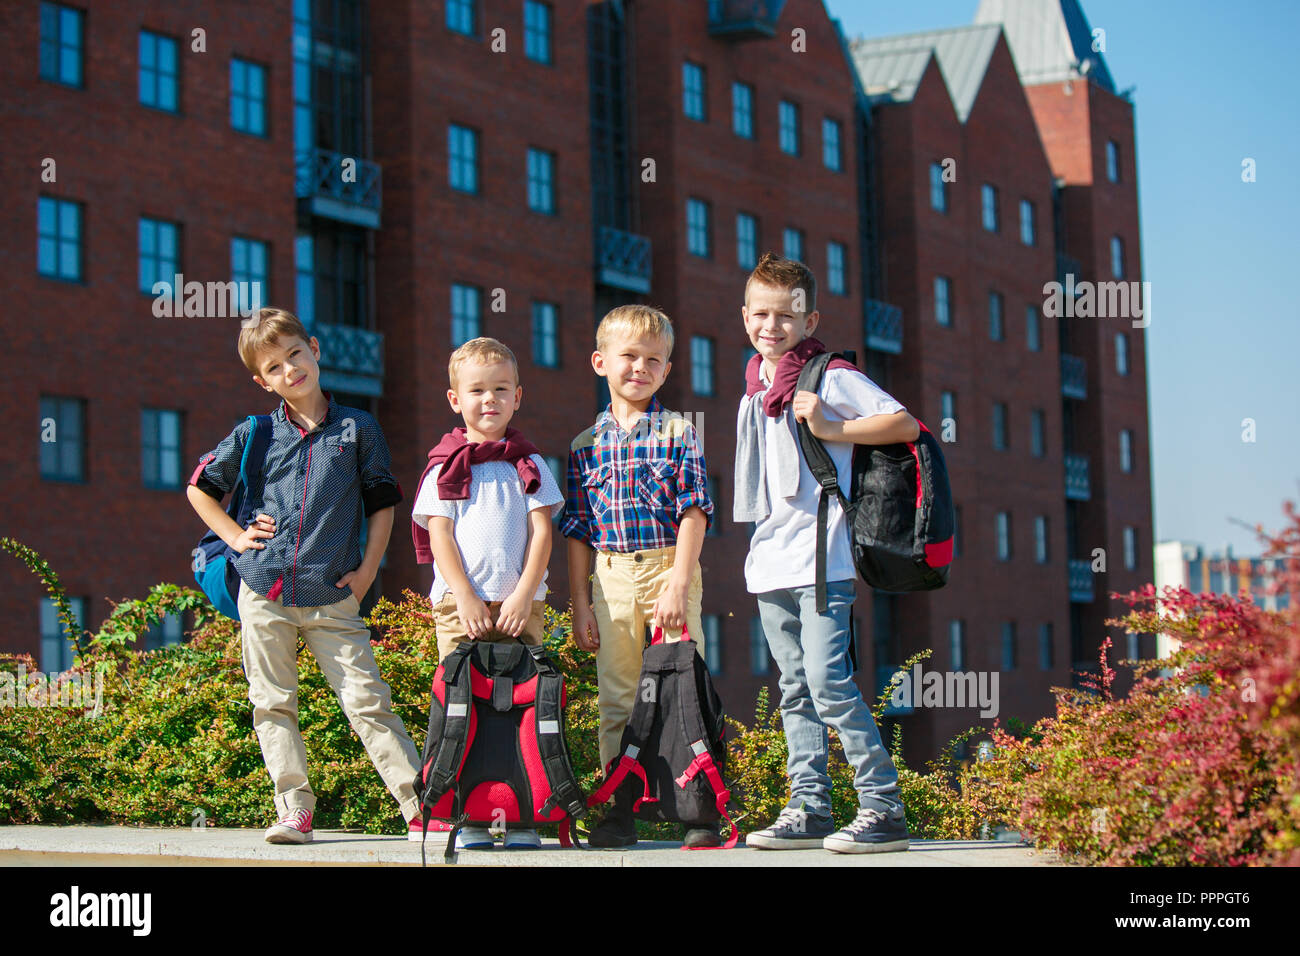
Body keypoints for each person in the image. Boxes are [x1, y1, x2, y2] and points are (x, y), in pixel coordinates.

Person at [186, 307, 425, 845]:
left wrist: (365, 575)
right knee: (271, 703)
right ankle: (294, 810)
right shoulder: (256, 432)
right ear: (261, 380)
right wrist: (236, 536)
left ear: (313, 349)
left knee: (368, 701)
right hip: (263, 589)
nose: (289, 369)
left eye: (295, 354)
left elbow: (383, 503)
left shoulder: (357, 428)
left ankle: (419, 808)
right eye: (274, 367)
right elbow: (200, 486)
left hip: (334, 594)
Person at [735, 253, 916, 853]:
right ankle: (809, 807)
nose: (771, 326)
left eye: (785, 316)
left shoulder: (827, 376)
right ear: (745, 316)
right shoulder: (756, 387)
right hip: (771, 559)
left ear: (809, 320)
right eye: (760, 314)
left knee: (828, 682)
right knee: (793, 688)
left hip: (823, 558)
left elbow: (904, 424)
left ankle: (883, 807)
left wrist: (833, 428)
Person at [561, 305, 716, 849]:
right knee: (618, 696)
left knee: (681, 689)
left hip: (667, 567)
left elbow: (695, 511)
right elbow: (578, 531)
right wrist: (580, 603)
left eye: (654, 360)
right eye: (628, 356)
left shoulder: (678, 431)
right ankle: (617, 810)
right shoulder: (584, 445)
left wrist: (677, 581)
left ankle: (698, 810)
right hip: (611, 580)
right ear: (600, 362)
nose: (640, 368)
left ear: (668, 370)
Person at [410, 336, 564, 851]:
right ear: (455, 399)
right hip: (461, 609)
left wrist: (522, 595)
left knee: (522, 711)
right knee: (463, 710)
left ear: (518, 396)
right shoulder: (444, 466)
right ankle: (469, 817)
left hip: (523, 607)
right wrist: (467, 598)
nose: (489, 400)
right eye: (477, 390)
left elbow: (542, 533)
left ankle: (521, 816)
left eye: (501, 389)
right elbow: (440, 537)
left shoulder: (531, 464)